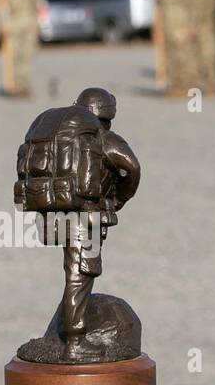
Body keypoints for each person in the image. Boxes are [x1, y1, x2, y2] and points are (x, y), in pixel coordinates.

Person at [16, 87, 140, 361]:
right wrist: (119, 199)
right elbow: (132, 168)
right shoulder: (103, 138)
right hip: (86, 214)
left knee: (72, 268)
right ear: (108, 114)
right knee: (80, 274)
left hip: (54, 207)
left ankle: (70, 330)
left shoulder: (60, 134)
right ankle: (75, 342)